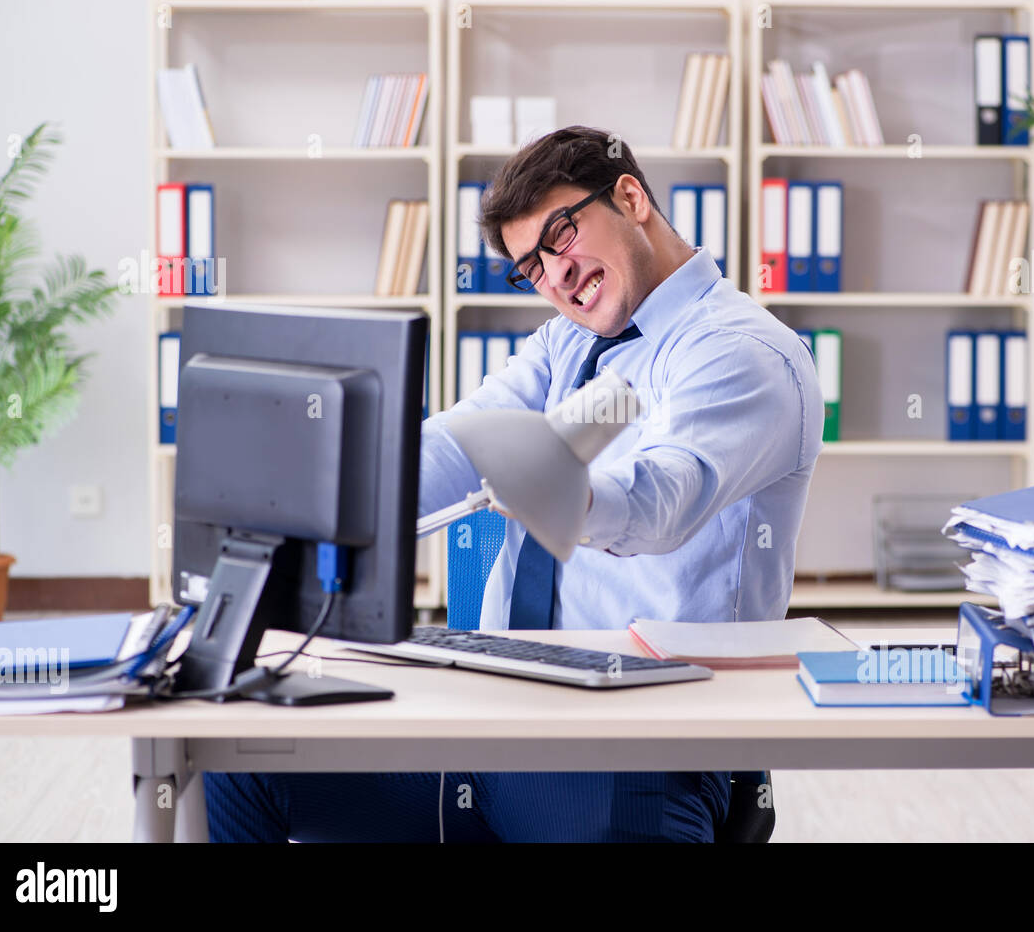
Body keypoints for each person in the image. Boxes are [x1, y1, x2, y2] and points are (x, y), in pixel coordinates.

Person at [204, 126, 822, 842]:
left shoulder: (741, 353)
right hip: (496, 707)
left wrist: (569, 495)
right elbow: (459, 444)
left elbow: (662, 500)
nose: (555, 276)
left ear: (630, 196)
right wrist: (308, 498)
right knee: (240, 759)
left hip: (633, 742)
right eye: (531, 266)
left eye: (561, 235)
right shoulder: (569, 339)